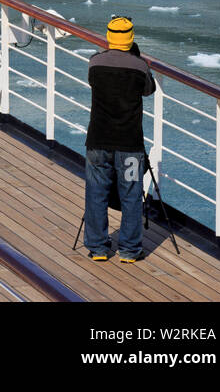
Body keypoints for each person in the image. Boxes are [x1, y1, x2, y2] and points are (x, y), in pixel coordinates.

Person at [84, 16, 156, 263]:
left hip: (98, 141)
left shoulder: (95, 63)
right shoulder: (140, 67)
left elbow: (94, 82)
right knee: (131, 195)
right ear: (131, 38)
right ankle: (129, 250)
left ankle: (98, 248)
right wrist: (136, 58)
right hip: (129, 145)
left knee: (96, 193)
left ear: (109, 37)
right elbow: (148, 89)